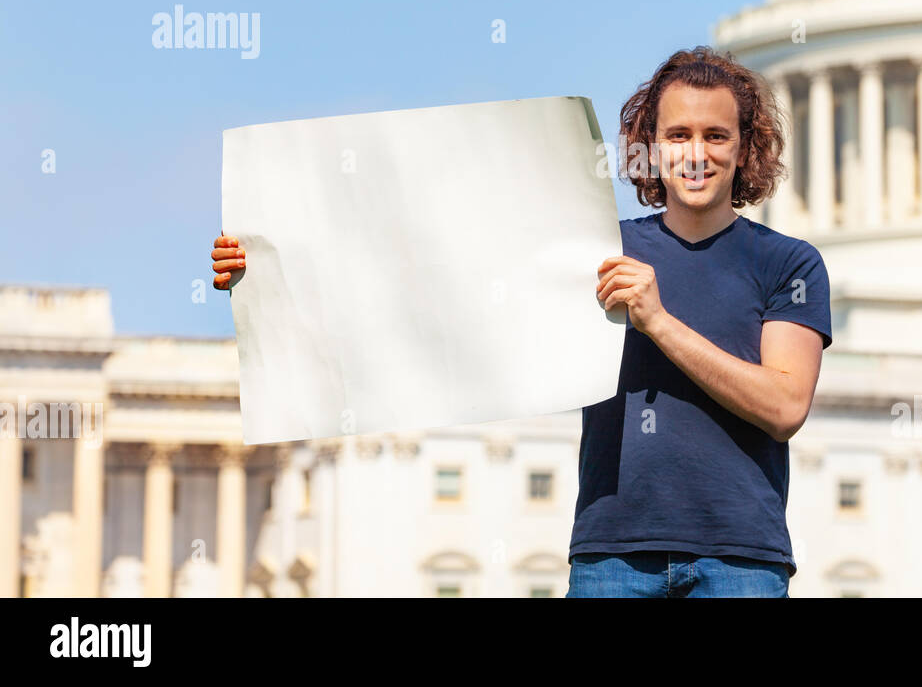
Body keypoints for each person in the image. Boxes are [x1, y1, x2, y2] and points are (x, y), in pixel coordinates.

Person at [210, 45, 831, 598]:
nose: (696, 154)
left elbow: (783, 407)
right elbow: (431, 287)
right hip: (610, 554)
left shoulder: (789, 263)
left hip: (741, 560)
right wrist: (266, 271)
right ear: (649, 146)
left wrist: (659, 321)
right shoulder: (596, 248)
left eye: (716, 136)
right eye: (678, 135)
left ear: (746, 147)